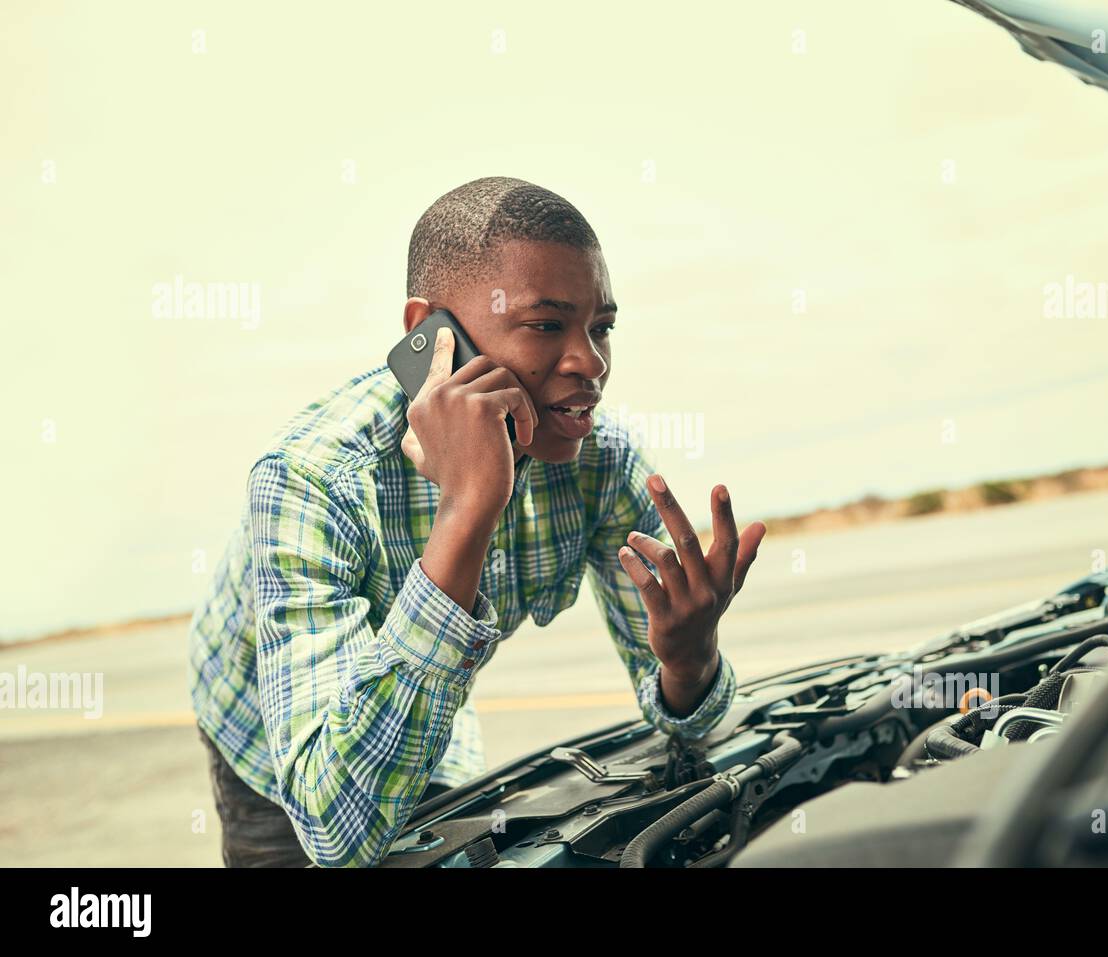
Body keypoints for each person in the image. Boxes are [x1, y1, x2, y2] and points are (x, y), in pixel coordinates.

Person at [187, 176, 766, 867]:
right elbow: (334, 824)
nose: (592, 362)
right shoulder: (313, 479)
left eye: (601, 326)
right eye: (548, 325)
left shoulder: (599, 462)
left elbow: (691, 718)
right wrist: (468, 508)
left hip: (421, 693)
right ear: (429, 335)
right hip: (270, 742)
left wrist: (688, 661)